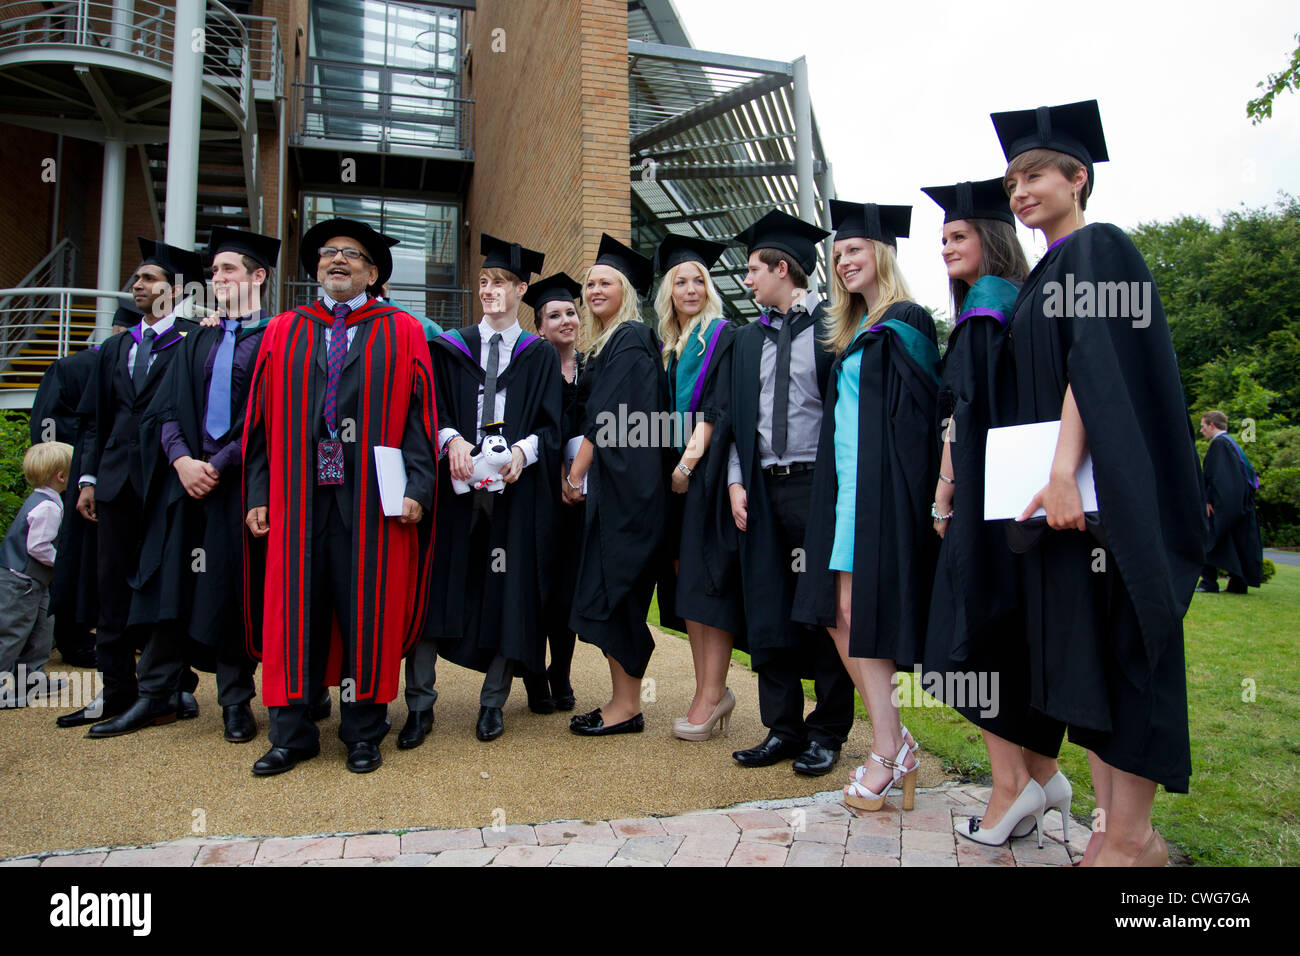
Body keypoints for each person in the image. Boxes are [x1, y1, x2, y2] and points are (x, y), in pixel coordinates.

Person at [991, 99, 1203, 865]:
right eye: (1011, 180)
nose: (1019, 191)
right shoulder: (1042, 272)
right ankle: (1118, 833)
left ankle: (1132, 838)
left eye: (1035, 174)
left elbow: (1097, 365)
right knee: (1089, 661)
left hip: (1096, 496)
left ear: (1078, 177)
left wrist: (1061, 474)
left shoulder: (1100, 249)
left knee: (1125, 652)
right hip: (1067, 503)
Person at [243, 218, 437, 775]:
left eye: (352, 255)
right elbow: (256, 423)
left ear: (372, 273)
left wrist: (419, 487)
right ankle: (292, 733)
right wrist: (257, 492)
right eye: (329, 253)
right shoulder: (284, 331)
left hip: (372, 500)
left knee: (367, 609)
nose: (338, 261)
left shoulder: (401, 331)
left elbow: (422, 420)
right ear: (316, 268)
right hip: (296, 496)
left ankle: (362, 731)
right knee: (294, 609)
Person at [918, 179, 1071, 845]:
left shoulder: (983, 309)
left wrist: (944, 490)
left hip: (985, 501)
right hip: (1024, 502)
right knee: (1017, 639)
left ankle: (1012, 789)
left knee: (973, 642)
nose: (947, 247)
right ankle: (1042, 773)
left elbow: (964, 412)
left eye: (959, 235)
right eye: (944, 238)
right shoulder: (1021, 299)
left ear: (992, 240)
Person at [792, 201, 940, 810]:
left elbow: (921, 418)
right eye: (837, 256)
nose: (844, 262)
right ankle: (894, 738)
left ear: (881, 253)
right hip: (843, 487)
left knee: (855, 607)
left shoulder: (906, 320)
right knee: (834, 611)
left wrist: (914, 498)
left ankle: (887, 746)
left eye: (854, 251)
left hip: (881, 490)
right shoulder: (850, 334)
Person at [405, 234, 561, 745]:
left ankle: (492, 703)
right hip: (455, 491)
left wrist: (523, 452)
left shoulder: (538, 356)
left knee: (507, 592)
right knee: (436, 589)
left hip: (513, 494)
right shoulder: (451, 348)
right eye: (484, 282)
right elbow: (431, 410)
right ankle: (419, 705)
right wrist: (449, 439)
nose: (490, 290)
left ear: (521, 289)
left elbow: (550, 426)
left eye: (500, 283)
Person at [719, 209, 856, 776]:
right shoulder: (746, 340)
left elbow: (845, 418)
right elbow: (734, 419)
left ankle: (827, 732)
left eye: (754, 270)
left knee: (821, 612)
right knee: (768, 609)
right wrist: (733, 479)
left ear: (782, 268)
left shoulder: (834, 329)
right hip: (759, 489)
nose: (747, 280)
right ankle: (782, 728)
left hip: (815, 489)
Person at [134, 227, 281, 744]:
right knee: (186, 586)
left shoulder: (280, 338)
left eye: (228, 269)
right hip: (190, 487)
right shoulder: (198, 337)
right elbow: (167, 408)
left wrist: (217, 463)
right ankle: (167, 691)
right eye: (214, 271)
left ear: (258, 276)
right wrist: (181, 461)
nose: (216, 278)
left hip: (246, 486)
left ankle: (239, 701)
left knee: (239, 593)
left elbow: (272, 420)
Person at [59, 240, 201, 734]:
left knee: (167, 583)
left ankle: (170, 688)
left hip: (167, 482)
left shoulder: (192, 339)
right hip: (117, 483)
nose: (137, 285)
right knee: (111, 585)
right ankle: (115, 690)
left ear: (177, 290)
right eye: (135, 279)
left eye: (148, 279)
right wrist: (88, 478)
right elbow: (95, 420)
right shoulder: (115, 347)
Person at [565, 234, 669, 736]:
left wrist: (576, 472)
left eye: (605, 281)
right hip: (621, 488)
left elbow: (608, 419)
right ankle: (623, 703)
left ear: (625, 290)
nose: (594, 289)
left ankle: (627, 708)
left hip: (631, 492)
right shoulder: (610, 341)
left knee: (618, 593)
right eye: (590, 283)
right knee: (609, 594)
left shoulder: (629, 336)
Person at [651, 233, 743, 741]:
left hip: (703, 476)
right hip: (677, 482)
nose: (690, 288)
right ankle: (707, 689)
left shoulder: (724, 336)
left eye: (698, 281)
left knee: (710, 585)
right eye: (680, 281)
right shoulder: (672, 347)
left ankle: (713, 692)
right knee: (689, 588)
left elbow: (719, 407)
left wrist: (687, 464)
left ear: (710, 288)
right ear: (669, 292)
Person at [520, 272, 586, 713]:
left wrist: (576, 476)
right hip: (538, 492)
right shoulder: (529, 369)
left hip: (582, 496)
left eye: (570, 312)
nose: (565, 320)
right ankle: (533, 678)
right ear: (540, 327)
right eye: (554, 315)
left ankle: (560, 672)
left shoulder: (595, 366)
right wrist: (561, 473)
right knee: (536, 586)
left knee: (568, 588)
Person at [0, 441, 74, 708]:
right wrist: (63, 564)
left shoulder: (43, 499)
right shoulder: (48, 508)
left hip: (34, 581)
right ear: (62, 476)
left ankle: (30, 676)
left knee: (42, 627)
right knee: (12, 632)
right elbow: (38, 546)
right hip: (20, 581)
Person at [1197, 410, 1263, 594]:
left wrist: (1210, 500)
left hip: (1222, 506)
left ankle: (1209, 583)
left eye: (1203, 426)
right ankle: (1237, 584)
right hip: (1237, 506)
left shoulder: (1220, 445)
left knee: (1209, 540)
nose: (1201, 431)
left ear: (1212, 425)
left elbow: (1220, 478)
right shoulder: (1232, 444)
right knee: (1235, 543)